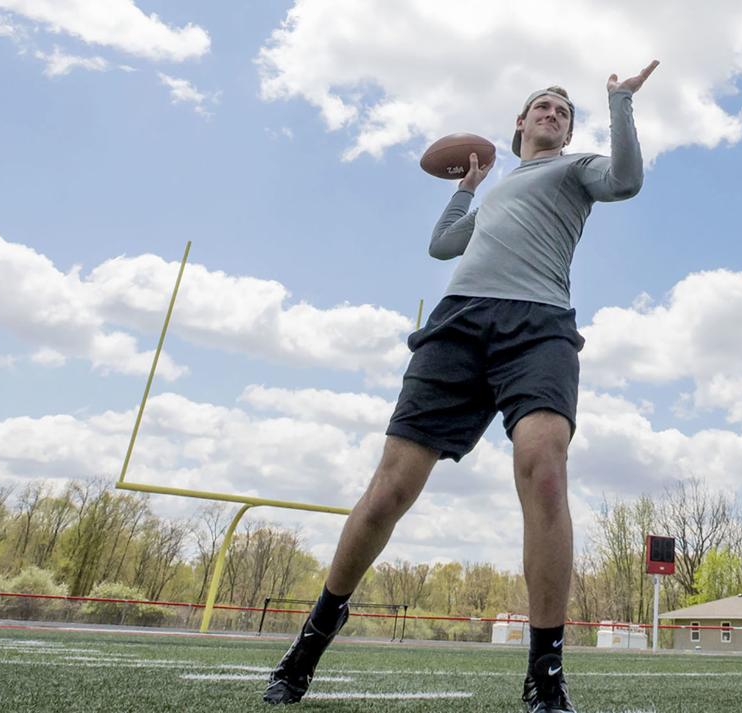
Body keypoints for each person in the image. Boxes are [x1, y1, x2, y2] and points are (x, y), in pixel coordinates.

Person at [264, 60, 659, 712]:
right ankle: (307, 644)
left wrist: (618, 105)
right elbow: (443, 244)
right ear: (520, 122)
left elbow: (627, 180)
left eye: (564, 110)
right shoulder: (499, 189)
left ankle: (545, 673)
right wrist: (469, 185)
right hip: (460, 321)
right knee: (388, 489)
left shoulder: (576, 168)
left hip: (538, 326)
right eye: (543, 106)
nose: (554, 114)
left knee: (546, 469)